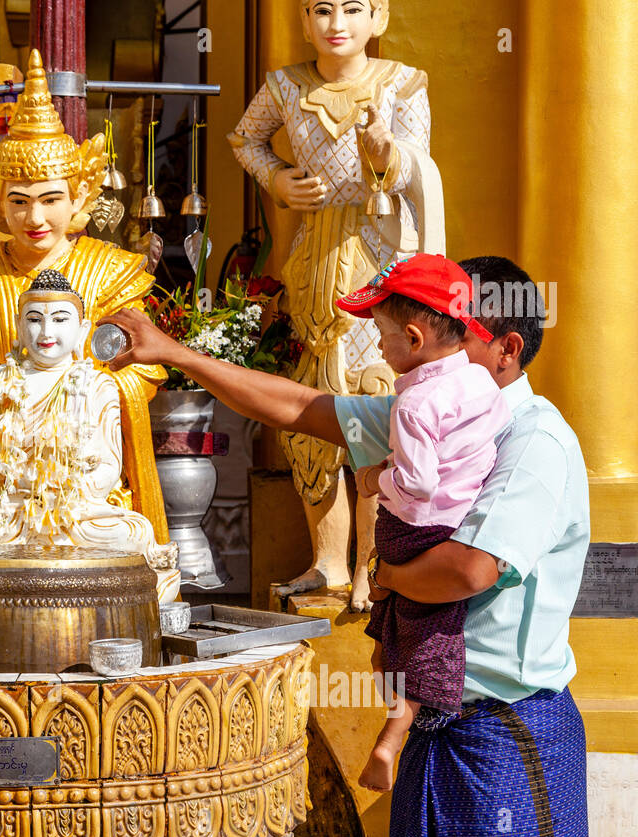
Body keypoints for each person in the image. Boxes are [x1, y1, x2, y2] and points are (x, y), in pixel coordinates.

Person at [102, 255, 590, 837]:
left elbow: (469, 570)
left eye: (457, 331)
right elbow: (302, 407)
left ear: (505, 349)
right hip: (436, 726)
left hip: (504, 730)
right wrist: (179, 355)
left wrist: (383, 575)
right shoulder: (436, 407)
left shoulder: (533, 440)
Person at [229, 0, 441, 609]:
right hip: (312, 260)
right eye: (321, 9)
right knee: (310, 416)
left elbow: (415, 169)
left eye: (353, 8)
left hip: (379, 261)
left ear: (380, 18)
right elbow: (245, 140)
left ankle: (375, 564)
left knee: (377, 407)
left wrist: (383, 151)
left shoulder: (402, 84)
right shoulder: (284, 86)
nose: (337, 23)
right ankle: (326, 560)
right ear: (304, 21)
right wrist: (277, 180)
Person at [0, 50, 169, 546]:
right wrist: (10, 390)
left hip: (81, 474)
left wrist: (81, 393)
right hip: (4, 474)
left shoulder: (112, 272)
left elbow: (141, 368)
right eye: (18, 200)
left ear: (79, 195)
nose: (34, 218)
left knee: (123, 533)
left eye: (51, 199)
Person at [331, 255, 510, 793]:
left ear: (412, 337)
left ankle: (391, 735)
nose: (379, 348)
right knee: (412, 631)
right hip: (450, 527)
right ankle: (394, 726)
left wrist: (371, 481)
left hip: (412, 530)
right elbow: (490, 434)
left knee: (416, 638)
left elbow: (417, 484)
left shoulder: (414, 403)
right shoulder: (479, 381)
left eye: (382, 336)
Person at [0, 270, 181, 601]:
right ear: (18, 326)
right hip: (9, 508)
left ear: (82, 330)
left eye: (60, 320)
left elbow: (109, 463)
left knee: (134, 532)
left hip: (72, 514)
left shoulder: (96, 385)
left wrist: (69, 493)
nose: (46, 331)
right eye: (34, 319)